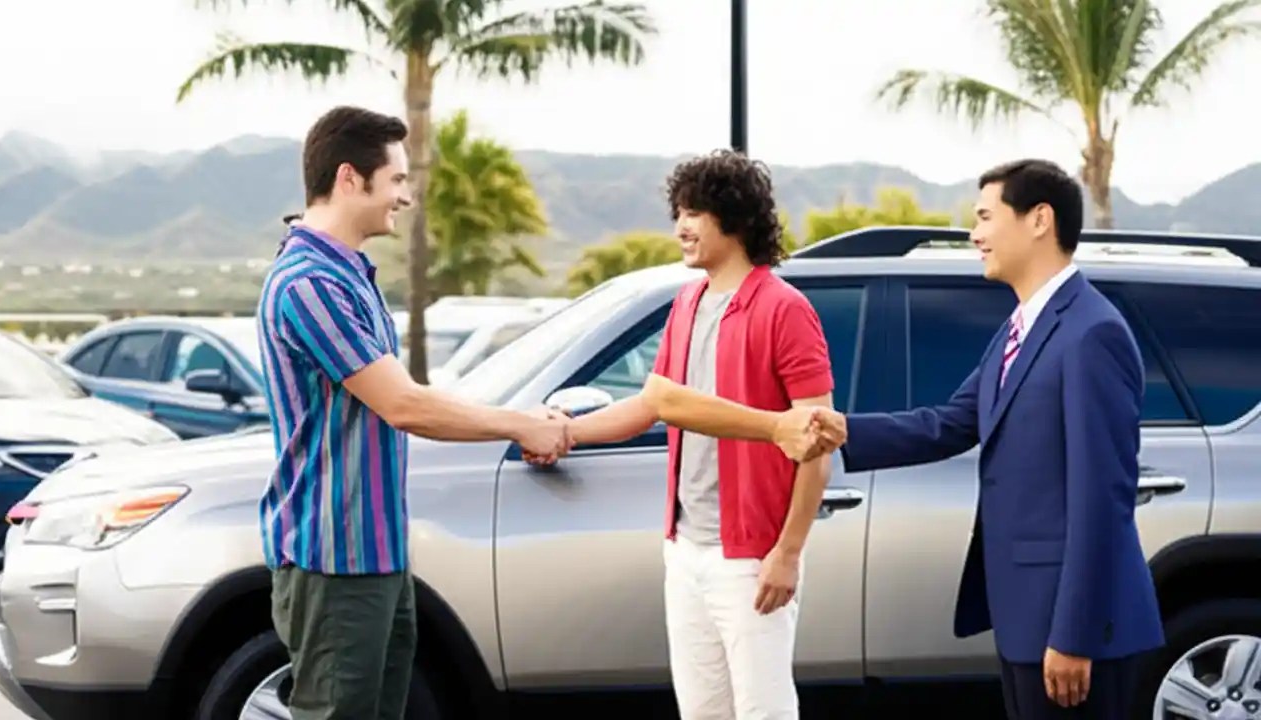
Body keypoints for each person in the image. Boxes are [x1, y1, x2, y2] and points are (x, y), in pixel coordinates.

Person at [255, 105, 572, 720]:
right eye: (396, 179)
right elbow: (402, 404)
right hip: (334, 561)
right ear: (350, 178)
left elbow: (402, 397)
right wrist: (520, 425)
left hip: (375, 556)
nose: (405, 196)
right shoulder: (308, 285)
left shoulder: (347, 276)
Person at [835, 159, 1164, 719]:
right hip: (1026, 618)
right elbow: (951, 423)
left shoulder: (1092, 332)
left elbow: (1102, 498)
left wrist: (1075, 634)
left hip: (1072, 630)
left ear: (1039, 220)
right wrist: (840, 430)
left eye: (985, 217)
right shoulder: (1021, 326)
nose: (975, 234)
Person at [531, 149, 840, 719]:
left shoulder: (784, 309)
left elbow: (815, 442)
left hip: (750, 557)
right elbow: (651, 405)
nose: (681, 227)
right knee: (701, 711)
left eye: (694, 212)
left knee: (764, 710)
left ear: (734, 217)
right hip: (686, 550)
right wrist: (565, 433)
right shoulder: (687, 303)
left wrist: (788, 553)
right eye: (678, 212)